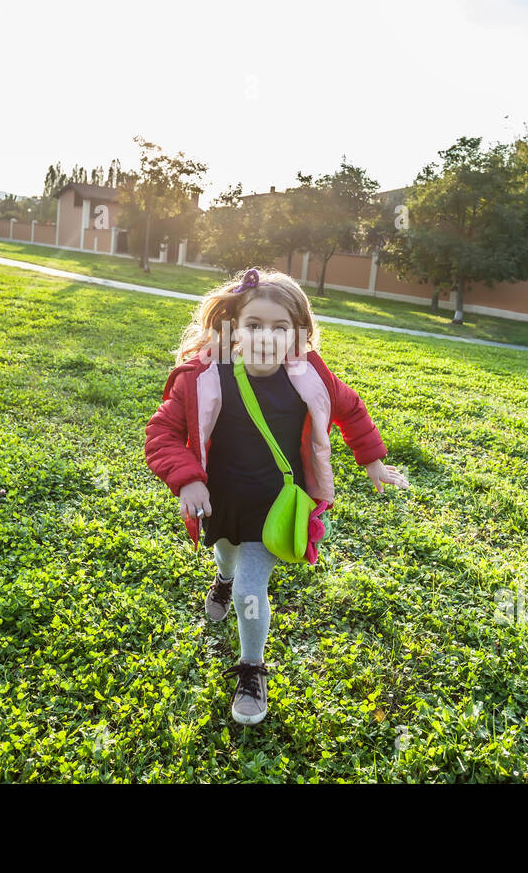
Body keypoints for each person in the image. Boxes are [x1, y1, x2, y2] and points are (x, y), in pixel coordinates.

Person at [144, 266, 409, 725]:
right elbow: (162, 432)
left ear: (300, 333)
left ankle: (251, 668)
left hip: (275, 504)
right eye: (254, 325)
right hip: (220, 500)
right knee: (224, 557)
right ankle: (221, 580)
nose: (267, 336)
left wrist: (373, 461)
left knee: (252, 587)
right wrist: (188, 478)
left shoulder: (312, 378)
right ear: (231, 326)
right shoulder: (203, 378)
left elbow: (352, 410)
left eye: (280, 327)